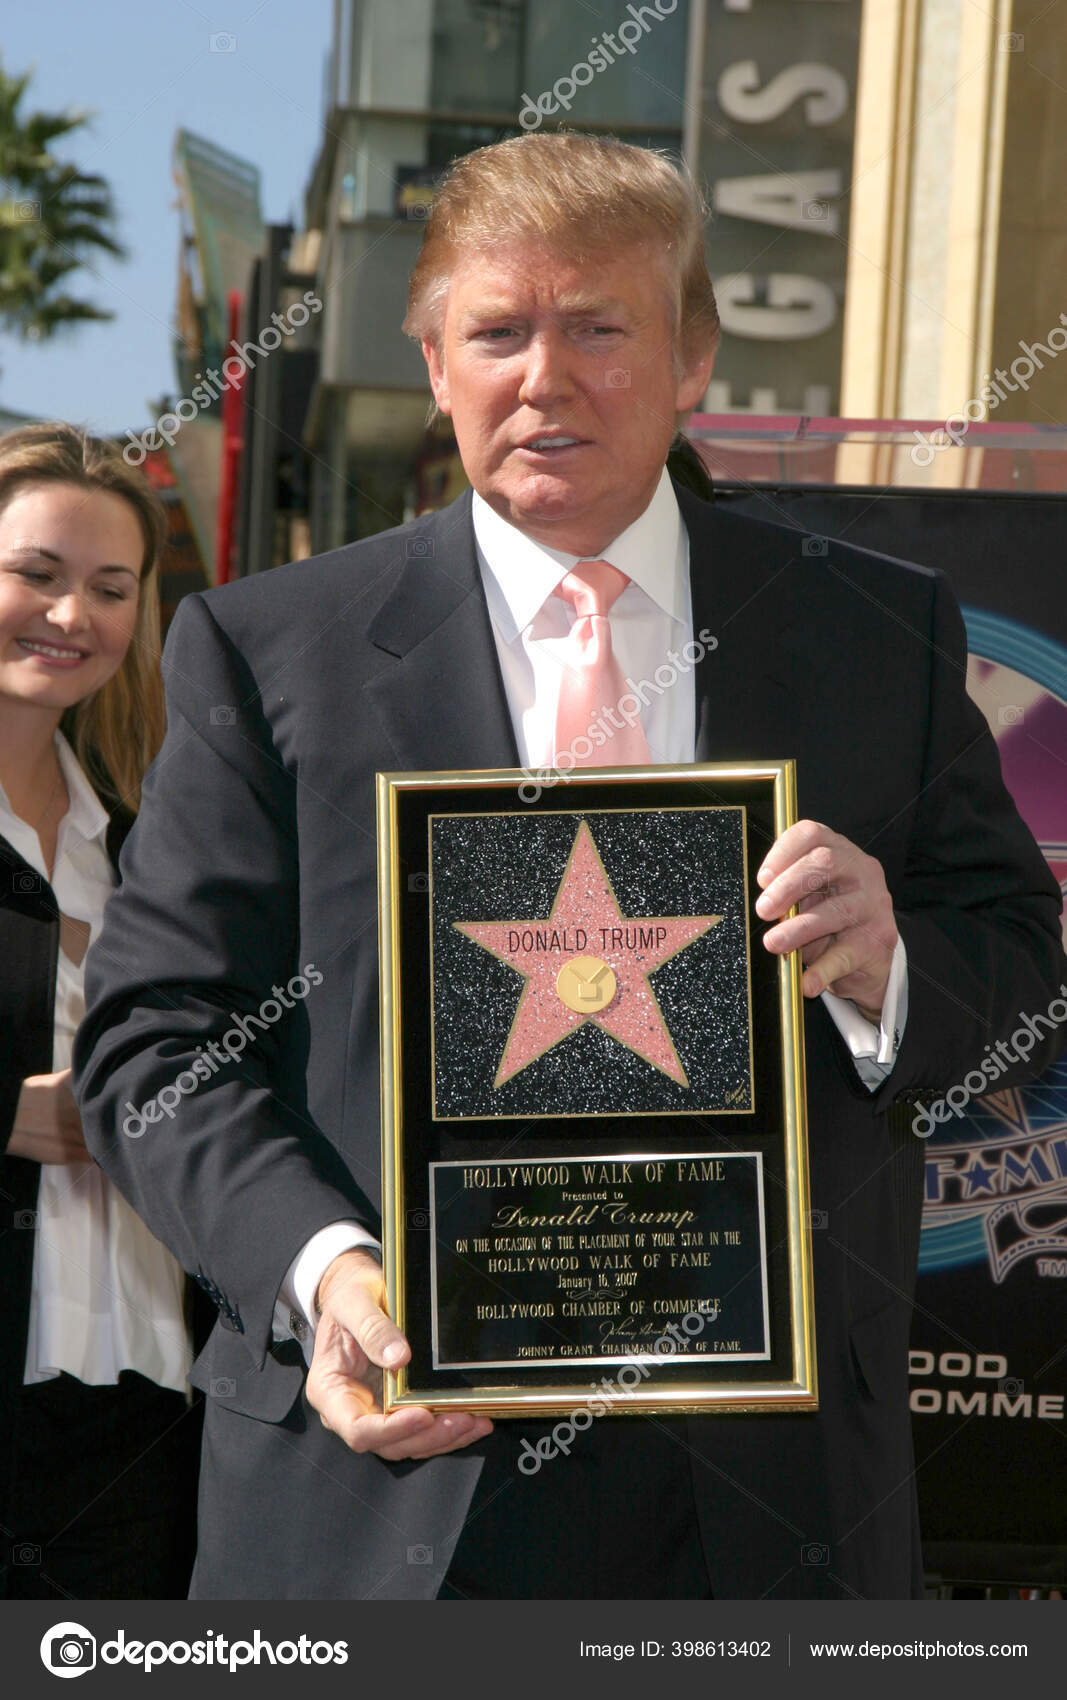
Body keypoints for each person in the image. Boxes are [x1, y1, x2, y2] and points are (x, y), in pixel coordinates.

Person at [74, 135, 1065, 1600]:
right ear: (431, 362)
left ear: (691, 360)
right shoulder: (270, 652)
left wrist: (888, 967)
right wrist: (329, 1274)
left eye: (599, 326)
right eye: (495, 331)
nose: (543, 377)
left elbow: (1016, 962)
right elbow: (153, 1046)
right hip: (385, 1476)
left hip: (766, 1495)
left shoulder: (874, 631)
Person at [0, 422, 200, 1599]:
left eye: (109, 588)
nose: (72, 615)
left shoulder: (144, 854)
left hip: (140, 1414)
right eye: (36, 572)